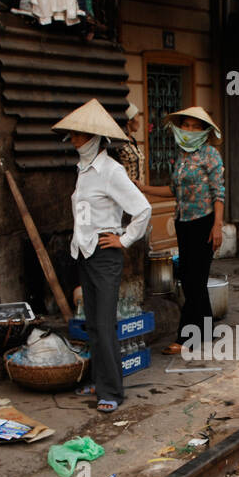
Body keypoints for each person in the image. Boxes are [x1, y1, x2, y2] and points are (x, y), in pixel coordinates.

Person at [53, 98, 152, 413]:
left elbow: (142, 209)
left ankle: (112, 391)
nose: (75, 141)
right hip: (85, 252)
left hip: (105, 254)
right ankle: (100, 380)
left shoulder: (111, 170)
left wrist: (124, 240)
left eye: (81, 136)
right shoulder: (84, 170)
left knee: (105, 323)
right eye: (73, 136)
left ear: (96, 138)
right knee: (93, 323)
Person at [134, 106, 224, 355]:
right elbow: (173, 190)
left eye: (196, 126)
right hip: (183, 223)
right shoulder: (182, 157)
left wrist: (218, 226)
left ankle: (187, 338)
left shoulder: (211, 156)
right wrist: (143, 188)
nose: (190, 130)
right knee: (191, 278)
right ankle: (206, 329)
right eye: (186, 125)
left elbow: (219, 193)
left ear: (205, 131)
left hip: (204, 223)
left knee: (193, 281)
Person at [111, 102, 145, 183]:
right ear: (129, 120)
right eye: (137, 117)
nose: (139, 122)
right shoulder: (120, 143)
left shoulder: (132, 142)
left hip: (139, 191)